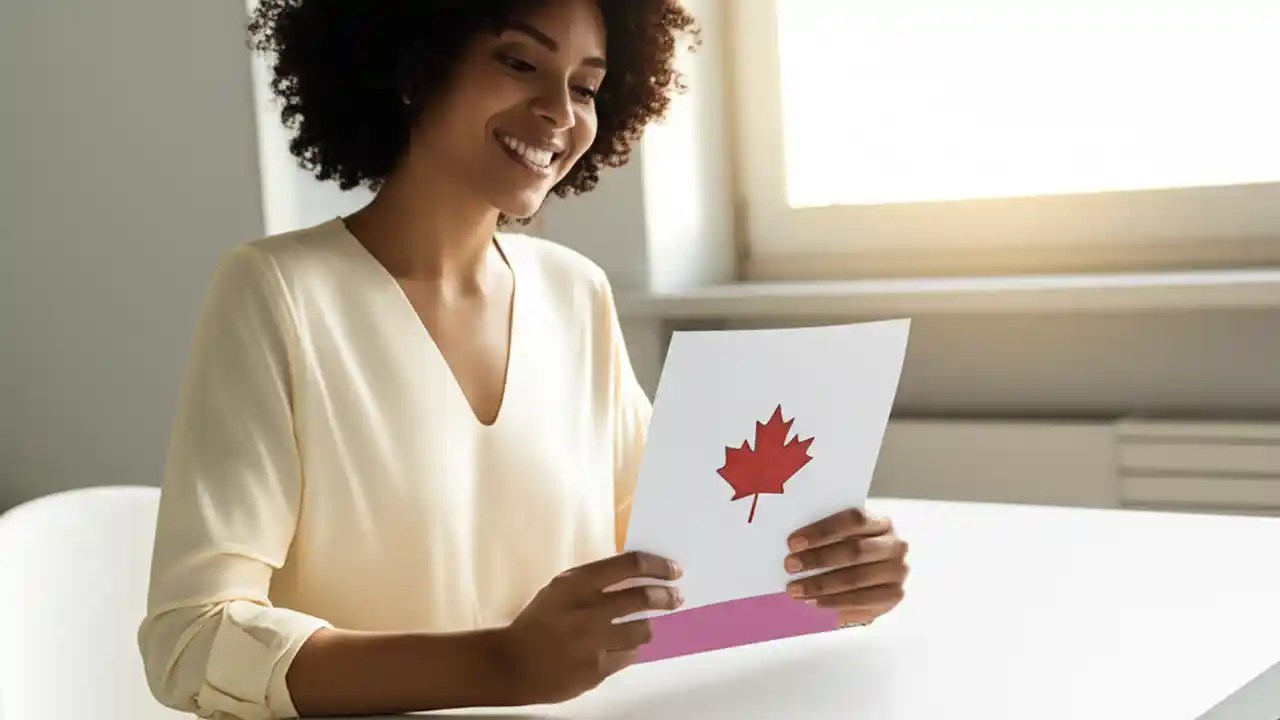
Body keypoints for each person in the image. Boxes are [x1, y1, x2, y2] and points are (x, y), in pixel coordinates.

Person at [137, 1, 910, 717]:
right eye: (518, 62)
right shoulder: (277, 292)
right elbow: (192, 640)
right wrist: (499, 665)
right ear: (416, 61)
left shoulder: (575, 293)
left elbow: (675, 575)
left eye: (586, 86)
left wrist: (827, 579)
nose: (560, 113)